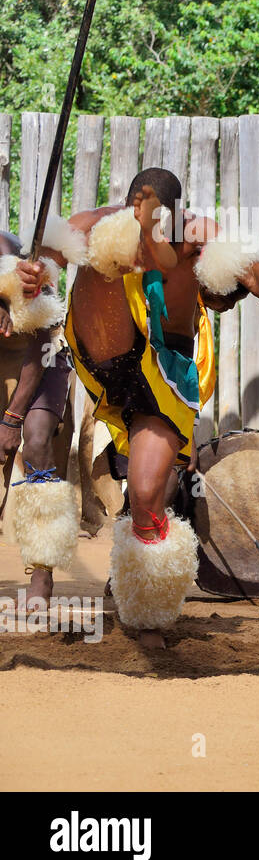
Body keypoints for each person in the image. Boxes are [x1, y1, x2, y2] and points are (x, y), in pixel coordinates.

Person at [16, 167, 259, 648]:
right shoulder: (92, 225)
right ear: (134, 202)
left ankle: (147, 607)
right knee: (96, 256)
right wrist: (33, 274)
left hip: (163, 378)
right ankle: (44, 575)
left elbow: (251, 272)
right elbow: (41, 264)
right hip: (105, 367)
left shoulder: (198, 236)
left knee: (148, 490)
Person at [0, 228, 76, 609]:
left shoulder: (26, 276)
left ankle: (43, 568)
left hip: (41, 360)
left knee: (36, 439)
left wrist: (12, 418)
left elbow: (41, 347)